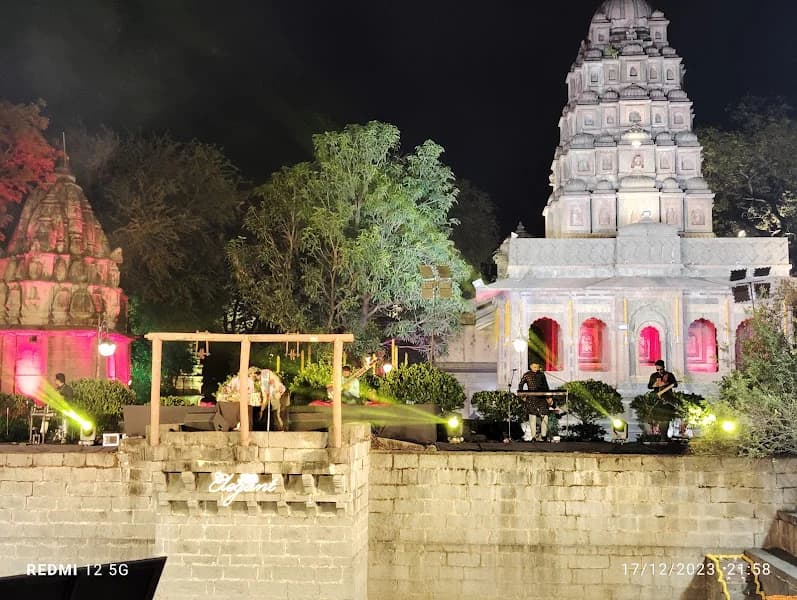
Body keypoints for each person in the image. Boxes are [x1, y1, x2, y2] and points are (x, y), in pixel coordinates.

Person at [518, 363, 550, 441]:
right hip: (531, 398)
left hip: (541, 398)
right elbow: (521, 385)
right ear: (531, 367)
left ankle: (543, 435)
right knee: (532, 417)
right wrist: (523, 396)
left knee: (545, 415)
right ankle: (533, 436)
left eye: (537, 367)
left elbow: (546, 386)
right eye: (534, 367)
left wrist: (549, 397)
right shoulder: (526, 375)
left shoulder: (542, 374)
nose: (536, 368)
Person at [647, 360, 679, 435]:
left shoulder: (669, 375)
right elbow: (649, 386)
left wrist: (667, 383)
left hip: (667, 399)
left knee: (666, 418)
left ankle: (665, 435)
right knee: (657, 417)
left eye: (661, 369)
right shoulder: (654, 375)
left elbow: (675, 384)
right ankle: (658, 434)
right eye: (657, 369)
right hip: (657, 399)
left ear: (664, 367)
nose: (659, 371)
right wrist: (655, 385)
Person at [53, 372, 73, 443]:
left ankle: (64, 435)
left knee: (65, 416)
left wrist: (62, 397)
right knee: (45, 416)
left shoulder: (68, 389)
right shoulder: (57, 389)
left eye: (56, 379)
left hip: (66, 410)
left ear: (59, 380)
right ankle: (42, 433)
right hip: (57, 409)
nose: (55, 381)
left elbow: (70, 401)